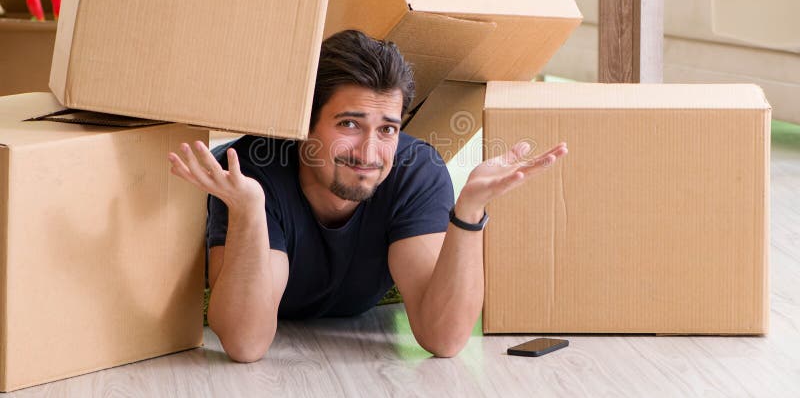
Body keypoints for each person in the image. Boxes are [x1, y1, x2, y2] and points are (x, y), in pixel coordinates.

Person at [167, 30, 568, 362]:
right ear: (302, 125)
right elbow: (245, 343)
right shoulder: (249, 175)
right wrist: (249, 210)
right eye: (349, 124)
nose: (369, 153)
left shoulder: (416, 171)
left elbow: (443, 339)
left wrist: (469, 211)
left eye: (387, 130)